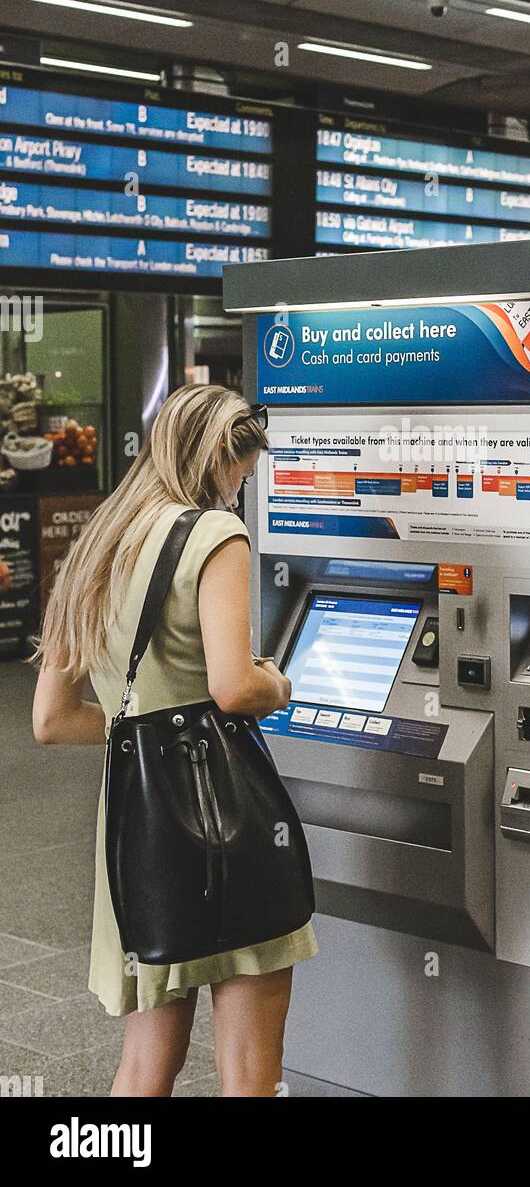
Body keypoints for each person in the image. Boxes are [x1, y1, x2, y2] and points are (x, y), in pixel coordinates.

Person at [31, 385, 317, 1097]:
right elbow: (232, 688)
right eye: (243, 473)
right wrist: (279, 683)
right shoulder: (214, 536)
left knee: (144, 1064)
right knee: (250, 1073)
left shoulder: (98, 543)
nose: (242, 488)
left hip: (141, 830)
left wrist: (142, 725)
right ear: (220, 456)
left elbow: (53, 720)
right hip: (229, 819)